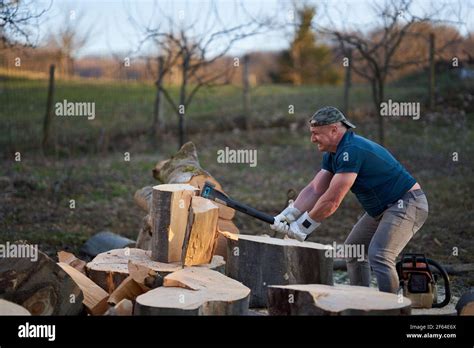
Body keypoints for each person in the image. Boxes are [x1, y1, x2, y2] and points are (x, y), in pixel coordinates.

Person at [271, 106, 429, 293]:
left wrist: (303, 226)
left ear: (334, 130)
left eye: (316, 134)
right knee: (354, 250)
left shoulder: (351, 150)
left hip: (407, 203)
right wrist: (290, 214)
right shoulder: (332, 153)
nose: (312, 139)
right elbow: (315, 188)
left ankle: (393, 309)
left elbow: (332, 200)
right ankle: (361, 303)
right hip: (381, 208)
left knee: (380, 255)